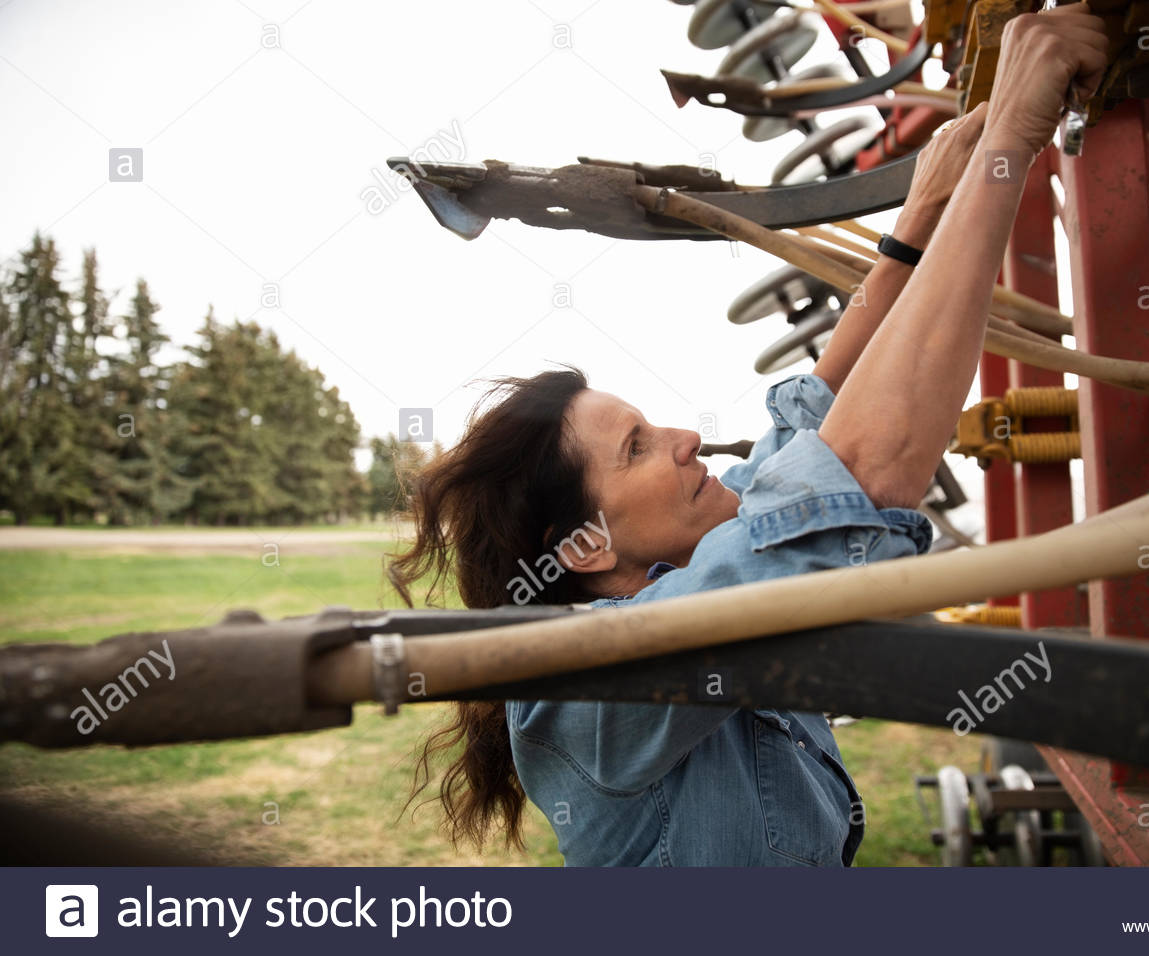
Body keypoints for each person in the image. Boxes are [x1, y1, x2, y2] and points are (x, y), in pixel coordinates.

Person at [387, 5, 1108, 865]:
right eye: (637, 449)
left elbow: (811, 424)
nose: (685, 438)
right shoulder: (587, 682)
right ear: (581, 547)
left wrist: (915, 225)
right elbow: (855, 478)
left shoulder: (680, 577)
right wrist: (1014, 141)